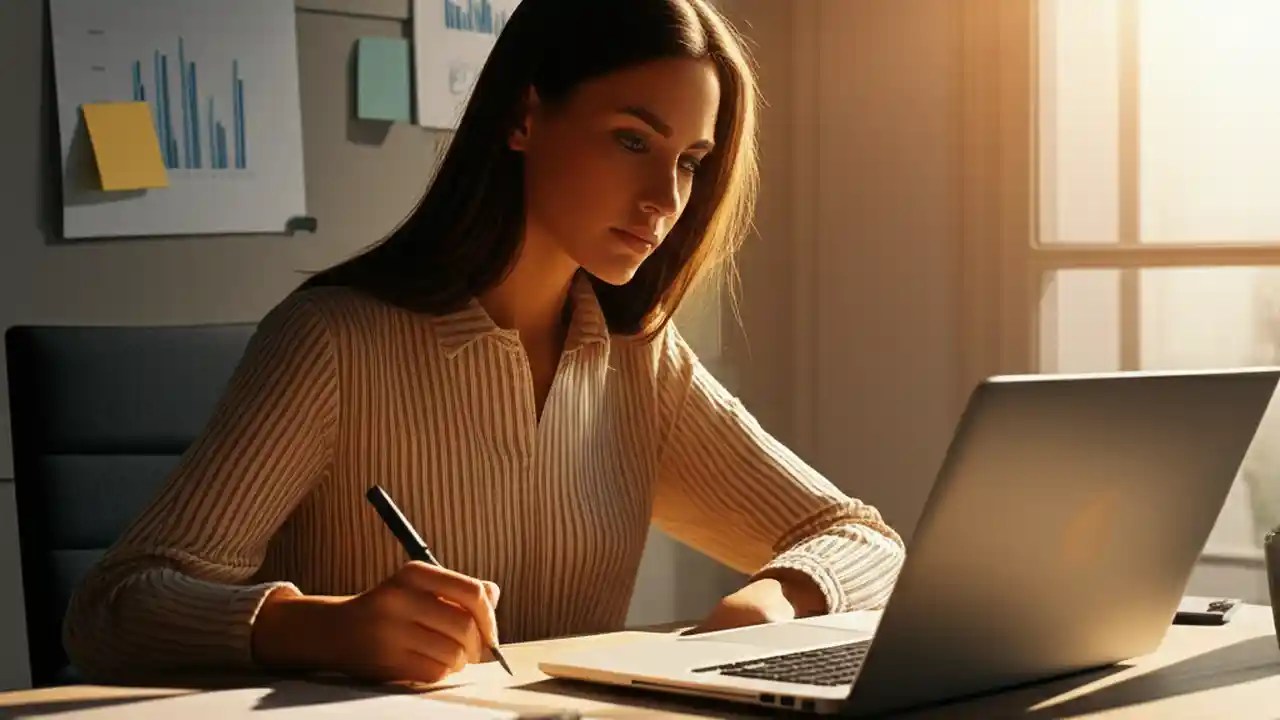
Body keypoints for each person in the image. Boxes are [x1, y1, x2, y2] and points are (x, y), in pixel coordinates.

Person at [63, 0, 905, 686]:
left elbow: (864, 541)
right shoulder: (331, 343)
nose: (663, 199)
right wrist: (318, 627)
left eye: (689, 160)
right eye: (631, 140)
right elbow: (112, 609)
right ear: (522, 117)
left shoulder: (640, 360)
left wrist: (771, 601)